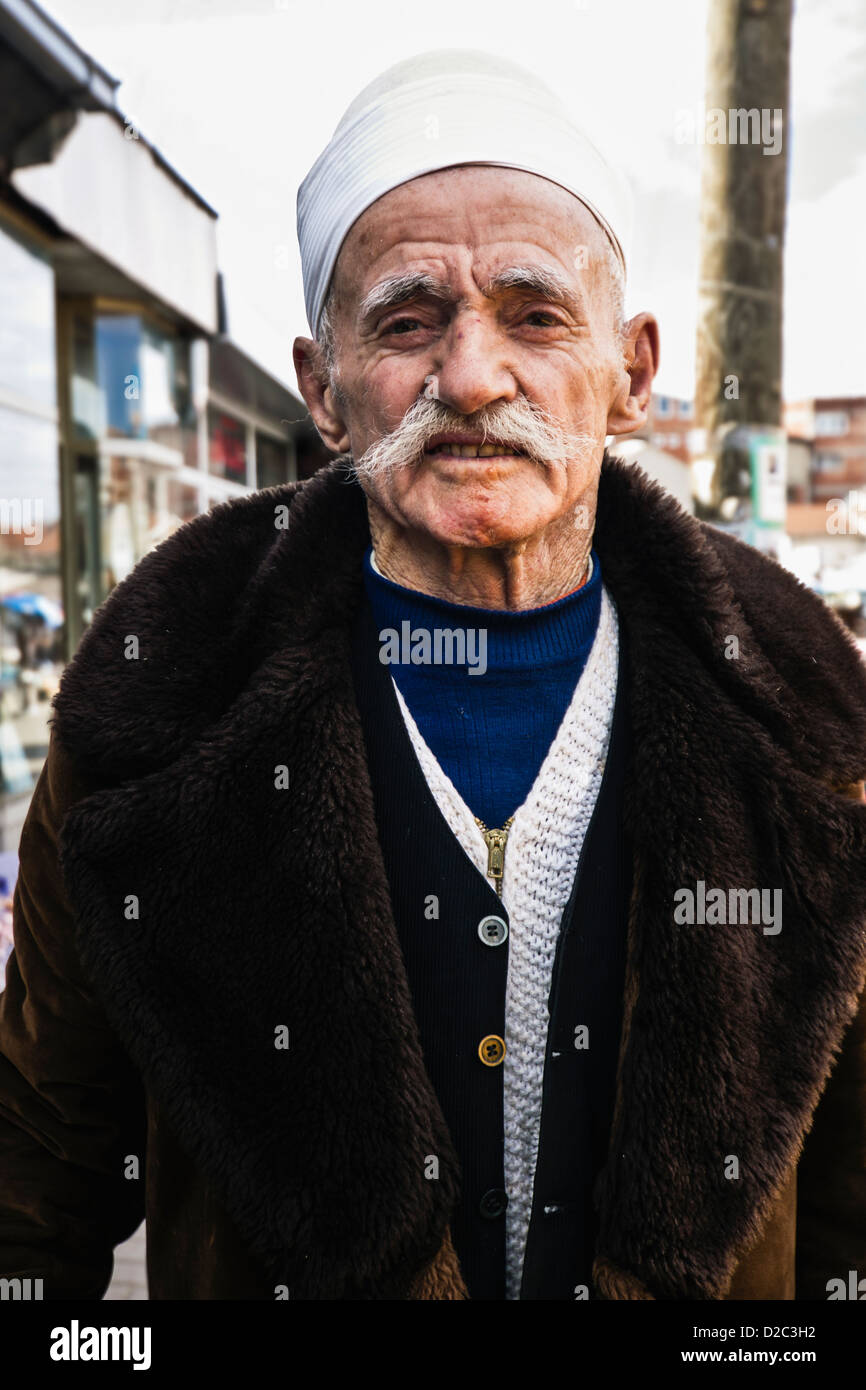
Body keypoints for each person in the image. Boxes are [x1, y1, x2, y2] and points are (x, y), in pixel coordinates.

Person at [1, 49, 865, 1303]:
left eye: (533, 314)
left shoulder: (808, 733)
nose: (469, 378)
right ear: (323, 391)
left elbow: (849, 1212)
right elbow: (36, 1181)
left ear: (629, 373)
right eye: (407, 321)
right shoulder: (153, 722)